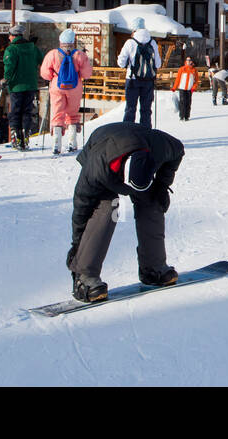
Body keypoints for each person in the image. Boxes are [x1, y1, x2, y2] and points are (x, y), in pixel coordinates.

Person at [66, 122, 184, 303]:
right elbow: (82, 207)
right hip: (103, 146)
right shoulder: (97, 169)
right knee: (108, 208)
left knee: (152, 201)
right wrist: (76, 246)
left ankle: (153, 268)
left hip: (136, 142)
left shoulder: (160, 147)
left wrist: (161, 185)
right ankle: (85, 276)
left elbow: (178, 151)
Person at [39, 29, 94, 154]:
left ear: (60, 41)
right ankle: (72, 142)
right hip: (75, 87)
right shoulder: (79, 55)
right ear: (73, 41)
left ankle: (56, 144)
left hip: (57, 86)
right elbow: (86, 74)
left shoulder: (53, 54)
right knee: (73, 113)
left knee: (58, 113)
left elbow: (45, 73)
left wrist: (54, 75)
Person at [2, 23, 42, 150]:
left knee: (15, 111)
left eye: (9, 36)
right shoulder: (32, 48)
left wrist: (6, 78)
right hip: (31, 84)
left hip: (16, 85)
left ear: (13, 36)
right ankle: (26, 134)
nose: (9, 38)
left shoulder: (11, 49)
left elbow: (9, 66)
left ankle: (16, 136)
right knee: (27, 111)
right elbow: (41, 60)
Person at [117, 23, 161, 129]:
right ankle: (146, 135)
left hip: (132, 79)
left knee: (130, 108)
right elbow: (158, 64)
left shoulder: (130, 42)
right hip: (149, 80)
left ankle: (128, 134)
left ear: (134, 30)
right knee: (146, 110)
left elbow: (121, 63)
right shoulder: (152, 42)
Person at [171, 55, 199, 121]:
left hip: (189, 89)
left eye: (189, 60)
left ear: (192, 61)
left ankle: (187, 116)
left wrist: (194, 88)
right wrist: (174, 87)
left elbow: (196, 81)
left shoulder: (194, 70)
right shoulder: (182, 69)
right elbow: (178, 79)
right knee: (182, 102)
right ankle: (181, 116)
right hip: (182, 88)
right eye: (187, 60)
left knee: (188, 102)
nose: (188, 61)